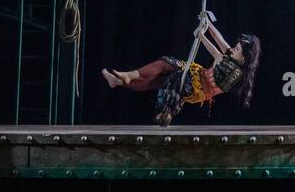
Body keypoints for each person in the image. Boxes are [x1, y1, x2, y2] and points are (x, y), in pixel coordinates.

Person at [102, 20, 261, 126]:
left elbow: (216, 54)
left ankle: (163, 109)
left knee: (169, 74)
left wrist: (201, 36)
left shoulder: (235, 72)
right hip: (195, 74)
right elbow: (219, 40)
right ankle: (123, 79)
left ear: (244, 58)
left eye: (237, 49)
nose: (233, 48)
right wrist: (207, 22)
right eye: (236, 46)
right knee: (162, 70)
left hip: (196, 89)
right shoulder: (233, 56)